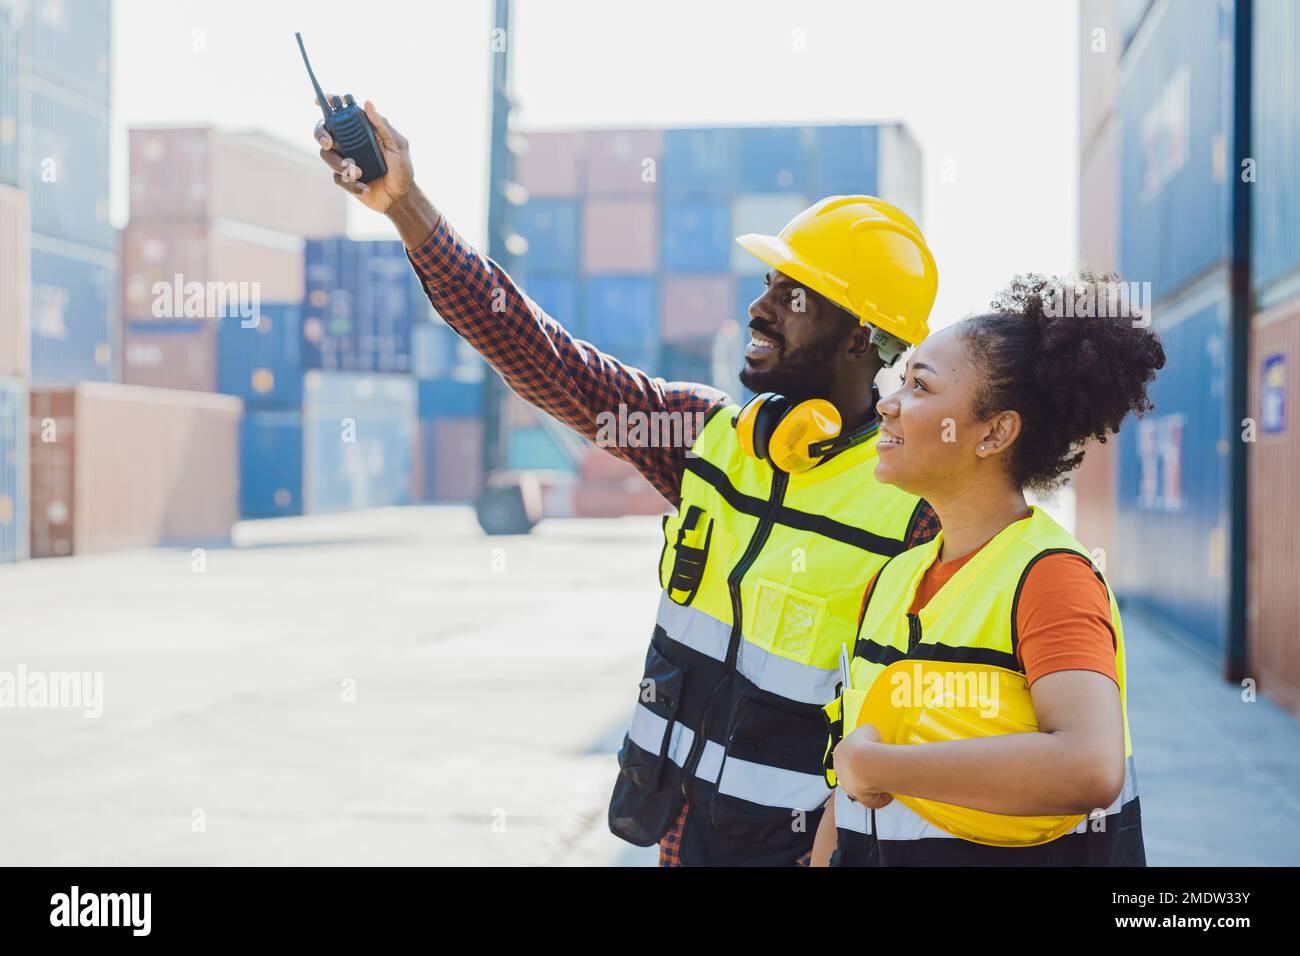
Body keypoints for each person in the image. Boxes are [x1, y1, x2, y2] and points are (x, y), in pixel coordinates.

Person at [315, 103, 941, 866]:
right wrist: (403, 206)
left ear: (858, 339)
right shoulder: (707, 441)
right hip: (680, 841)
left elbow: (938, 735)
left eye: (792, 294)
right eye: (768, 283)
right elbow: (543, 357)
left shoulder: (917, 515)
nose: (759, 305)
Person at [811, 273, 1164, 866]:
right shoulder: (892, 582)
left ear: (994, 432)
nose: (887, 404)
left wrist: (878, 765)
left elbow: (1089, 765)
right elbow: (851, 798)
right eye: (900, 381)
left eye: (920, 386)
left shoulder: (1049, 578)